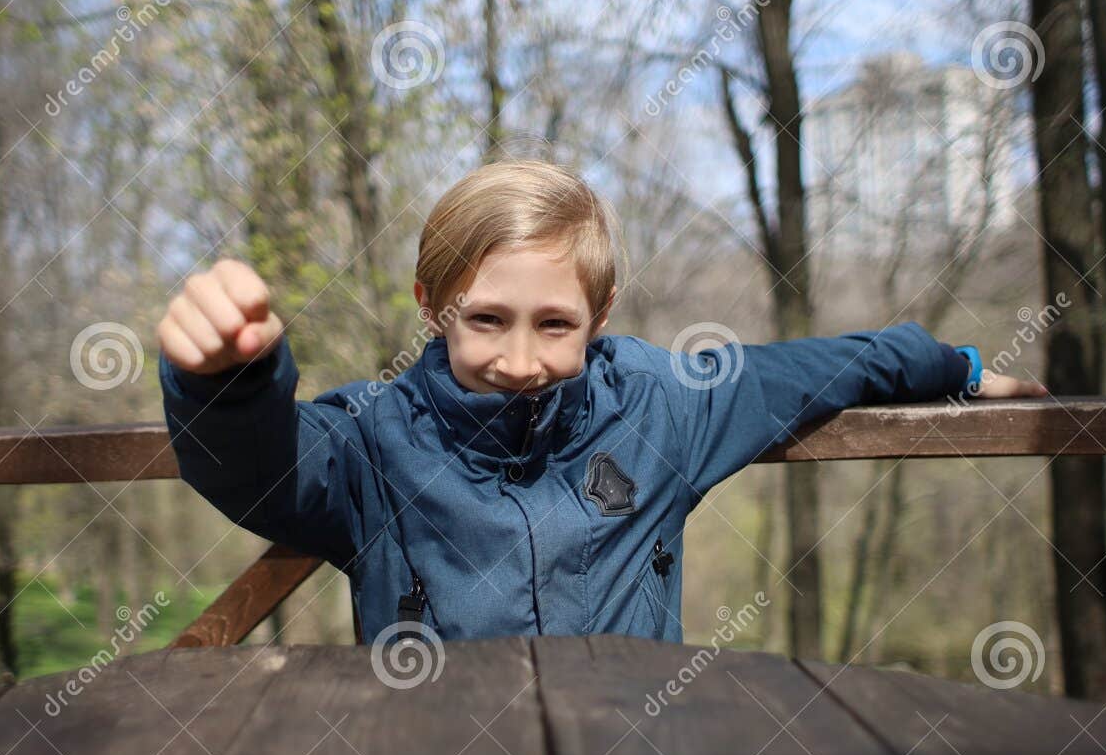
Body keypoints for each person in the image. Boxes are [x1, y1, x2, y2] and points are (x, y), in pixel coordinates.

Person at [157, 159, 1046, 645]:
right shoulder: (372, 440)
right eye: (486, 320)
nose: (518, 359)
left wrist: (957, 367)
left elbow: (829, 367)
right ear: (430, 306)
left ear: (600, 315)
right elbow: (260, 469)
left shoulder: (664, 404)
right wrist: (226, 383)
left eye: (554, 323)